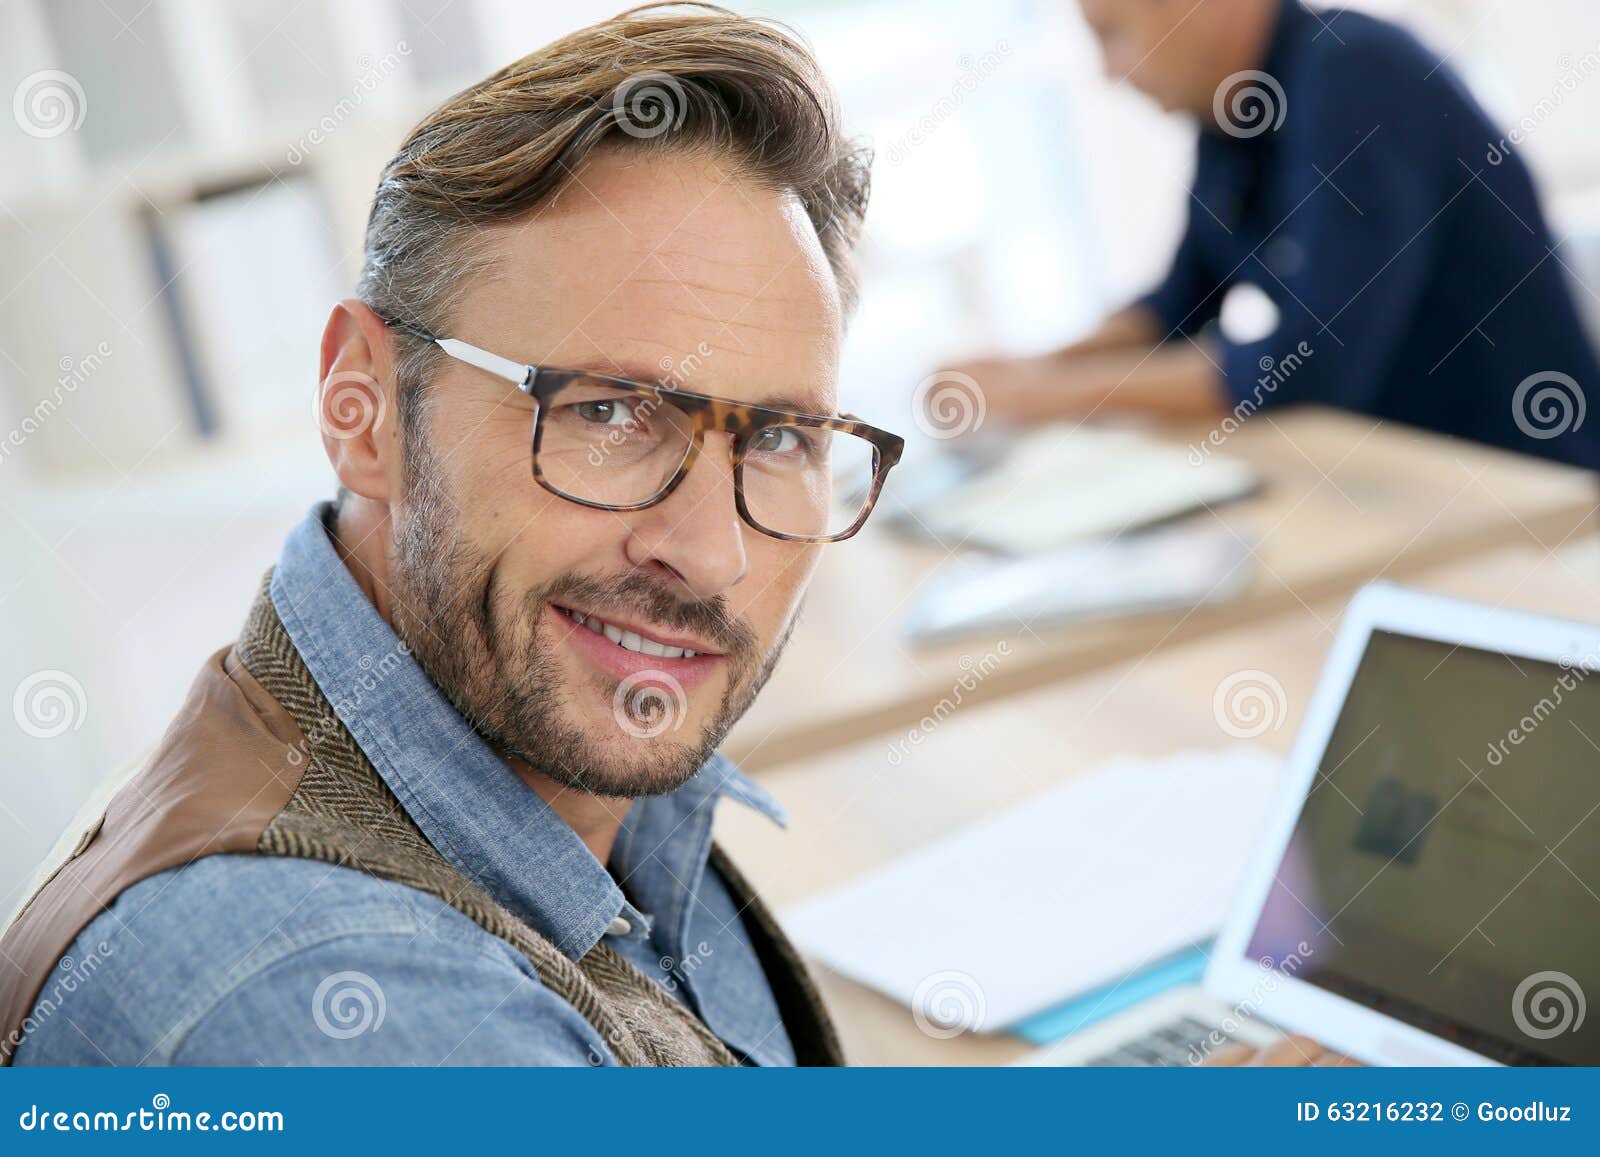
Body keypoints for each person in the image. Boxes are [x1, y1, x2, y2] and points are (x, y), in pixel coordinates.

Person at [0, 5, 902, 1067]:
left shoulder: (584, 794)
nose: (712, 554)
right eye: (606, 411)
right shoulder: (332, 994)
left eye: (782, 435)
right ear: (366, 405)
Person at [947, 0, 1600, 469]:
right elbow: (1175, 309)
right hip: (1397, 482)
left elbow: (1311, 365)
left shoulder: (1356, 75)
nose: (1107, 72)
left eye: (1112, 33)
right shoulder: (1232, 115)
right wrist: (1029, 368)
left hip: (1528, 490)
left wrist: (1046, 398)